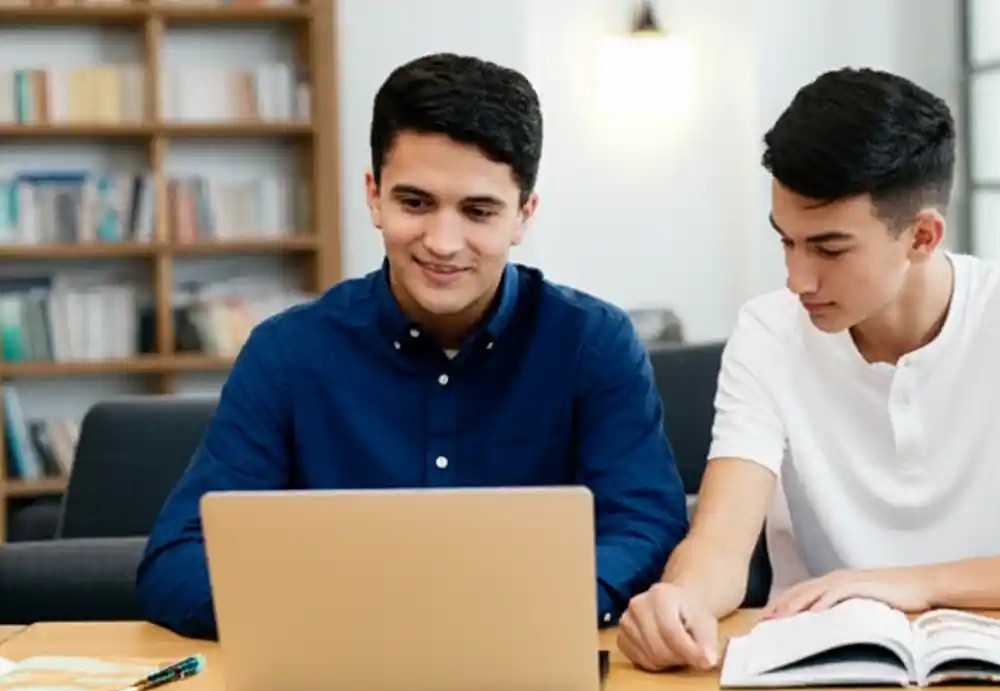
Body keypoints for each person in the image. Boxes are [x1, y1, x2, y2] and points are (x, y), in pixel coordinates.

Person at [617, 67, 1000, 672]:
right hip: (826, 673)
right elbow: (720, 543)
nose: (798, 279)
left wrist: (919, 583)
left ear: (922, 237)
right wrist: (679, 600)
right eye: (786, 242)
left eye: (828, 248)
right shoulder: (768, 332)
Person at [136, 53, 688, 640]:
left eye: (478, 211)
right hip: (335, 668)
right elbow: (177, 559)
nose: (443, 243)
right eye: (415, 203)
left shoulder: (593, 344)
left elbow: (646, 528)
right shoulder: (287, 353)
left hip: (531, 657)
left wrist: (543, 609)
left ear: (524, 215)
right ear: (374, 197)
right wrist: (344, 617)